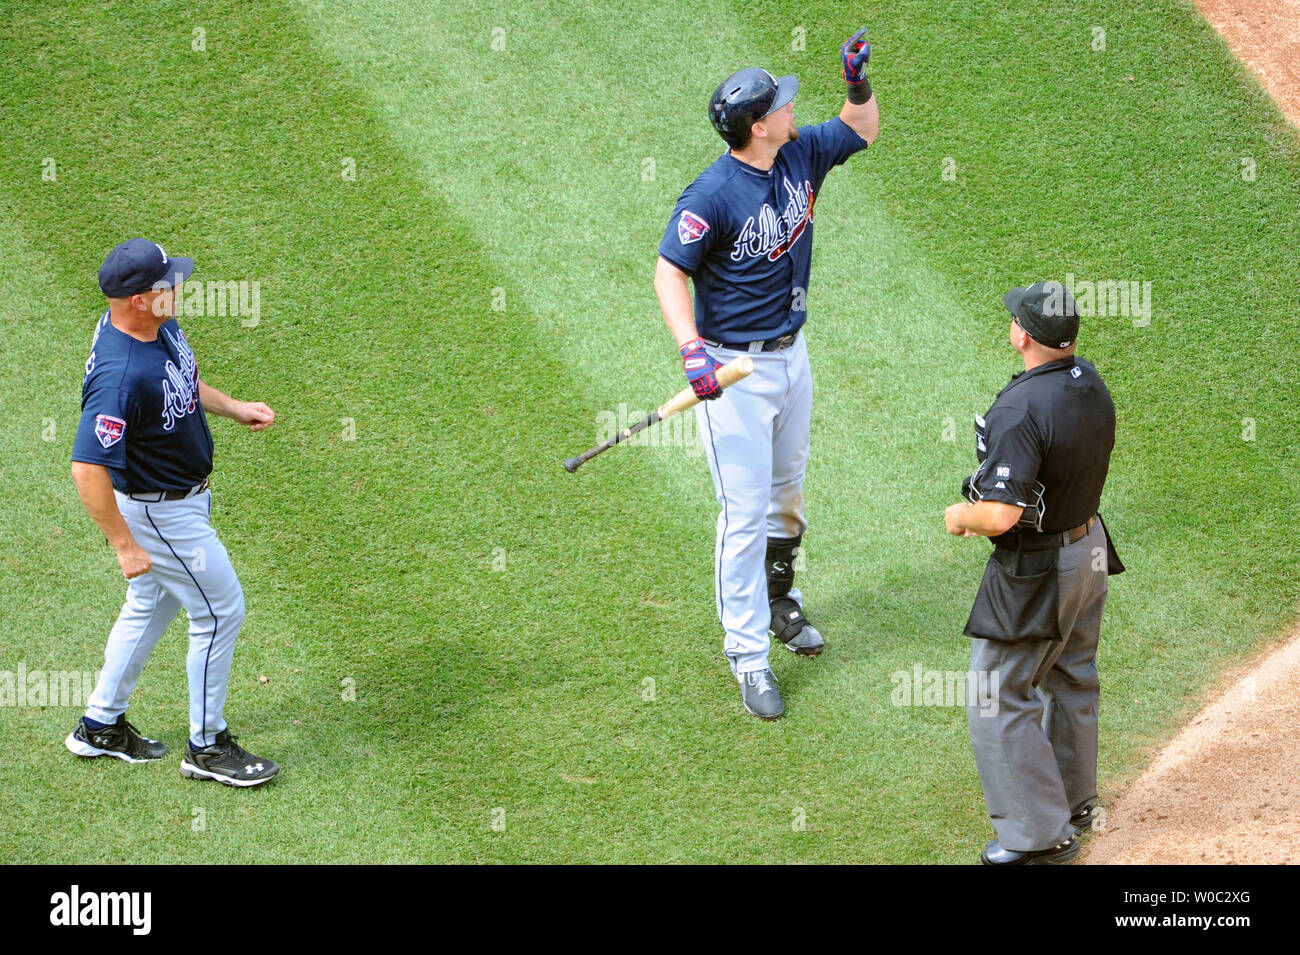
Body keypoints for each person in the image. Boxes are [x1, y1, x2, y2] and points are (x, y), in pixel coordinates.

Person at [653, 31, 878, 719]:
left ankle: (782, 602)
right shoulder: (713, 194)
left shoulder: (801, 151)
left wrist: (857, 85)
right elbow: (670, 270)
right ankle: (748, 657)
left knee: (788, 496)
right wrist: (692, 349)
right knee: (744, 516)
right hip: (733, 371)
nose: (791, 106)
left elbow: (860, 131)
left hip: (792, 356)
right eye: (780, 103)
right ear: (757, 126)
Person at [66, 237, 281, 787]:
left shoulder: (153, 325)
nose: (180, 288)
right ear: (139, 298)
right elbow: (87, 469)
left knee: (149, 606)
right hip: (161, 514)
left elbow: (178, 380)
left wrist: (232, 407)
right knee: (219, 611)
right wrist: (125, 544)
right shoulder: (120, 377)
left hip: (175, 502)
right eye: (169, 284)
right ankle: (207, 746)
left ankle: (100, 725)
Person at [944, 281, 1123, 864]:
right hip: (1090, 546)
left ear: (1023, 335)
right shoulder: (1088, 380)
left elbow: (1001, 514)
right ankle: (1074, 804)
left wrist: (961, 515)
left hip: (1043, 567)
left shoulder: (1020, 407)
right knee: (1071, 675)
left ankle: (1039, 838)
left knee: (996, 692)